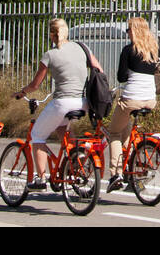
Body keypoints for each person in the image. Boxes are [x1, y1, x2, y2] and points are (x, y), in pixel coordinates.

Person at [14, 19, 101, 190]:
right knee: (63, 129)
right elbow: (99, 69)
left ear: (52, 35)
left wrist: (22, 92)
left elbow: (35, 85)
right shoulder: (82, 48)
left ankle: (41, 179)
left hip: (63, 102)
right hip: (83, 102)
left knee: (37, 136)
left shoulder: (50, 54)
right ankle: (76, 162)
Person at [106, 17, 160, 193]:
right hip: (150, 100)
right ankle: (132, 167)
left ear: (134, 31)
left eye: (128, 30)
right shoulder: (153, 50)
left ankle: (116, 174)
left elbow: (121, 77)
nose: (127, 33)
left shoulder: (128, 50)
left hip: (131, 99)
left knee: (113, 132)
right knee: (126, 130)